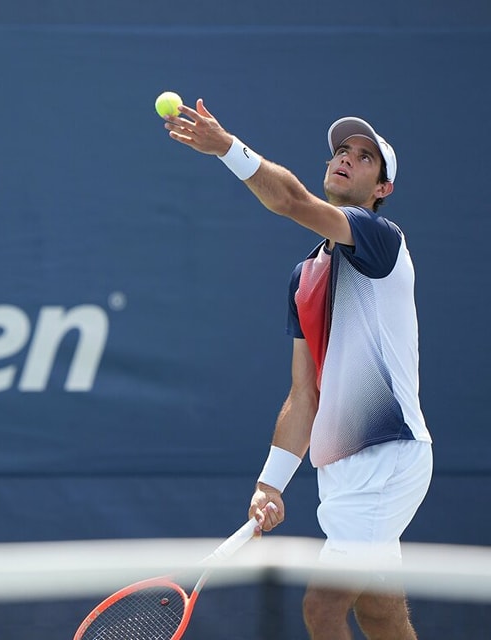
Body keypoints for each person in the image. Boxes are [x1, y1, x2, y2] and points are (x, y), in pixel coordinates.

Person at [163, 100, 433, 640]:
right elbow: (302, 396)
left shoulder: (381, 240)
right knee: (378, 612)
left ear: (382, 190)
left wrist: (227, 149)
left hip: (387, 456)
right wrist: (271, 484)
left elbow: (288, 200)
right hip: (341, 471)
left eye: (365, 158)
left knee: (322, 608)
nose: (347, 159)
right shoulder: (305, 276)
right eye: (341, 151)